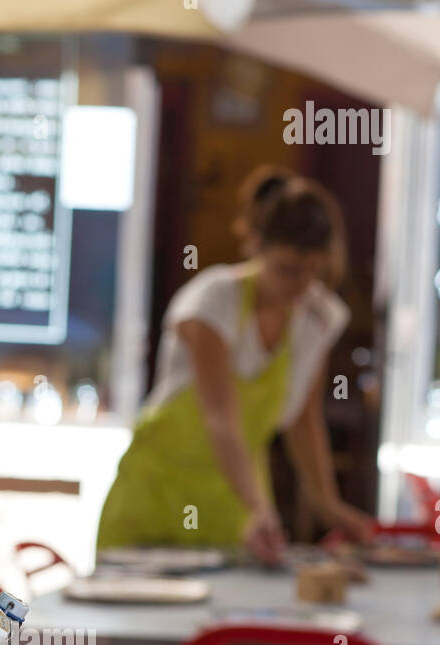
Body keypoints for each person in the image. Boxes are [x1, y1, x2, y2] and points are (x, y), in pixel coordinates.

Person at [97, 167, 374, 562]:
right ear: (255, 245)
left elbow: (302, 420)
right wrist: (261, 507)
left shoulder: (319, 317)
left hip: (232, 508)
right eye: (287, 270)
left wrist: (330, 505)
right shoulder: (211, 301)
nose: (299, 286)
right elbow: (220, 419)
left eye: (313, 271)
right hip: (155, 494)